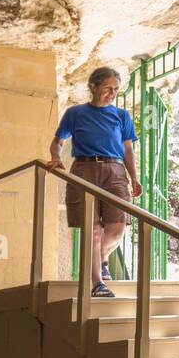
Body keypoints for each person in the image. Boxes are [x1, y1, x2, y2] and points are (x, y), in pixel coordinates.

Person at [47, 67, 142, 297]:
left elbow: (128, 150)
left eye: (116, 89)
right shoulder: (75, 113)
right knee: (94, 230)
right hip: (84, 169)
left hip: (115, 171)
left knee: (118, 227)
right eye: (109, 88)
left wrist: (134, 177)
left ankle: (101, 260)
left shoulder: (122, 116)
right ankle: (97, 283)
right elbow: (58, 142)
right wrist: (56, 158)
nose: (113, 93)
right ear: (93, 86)